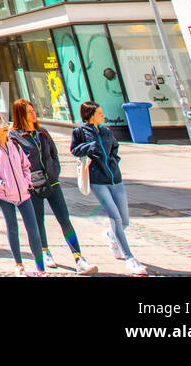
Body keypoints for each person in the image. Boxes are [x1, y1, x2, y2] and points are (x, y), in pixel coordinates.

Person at [11, 99, 97, 274]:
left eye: (33, 109)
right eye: (29, 111)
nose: (33, 113)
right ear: (20, 115)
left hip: (52, 181)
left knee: (64, 219)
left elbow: (53, 154)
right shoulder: (15, 136)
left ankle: (78, 258)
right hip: (32, 185)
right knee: (38, 221)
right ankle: (45, 251)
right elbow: (14, 161)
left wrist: (54, 171)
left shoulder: (42, 132)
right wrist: (27, 180)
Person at [71, 101, 146, 275]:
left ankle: (111, 236)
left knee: (125, 220)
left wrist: (114, 163)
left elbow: (114, 147)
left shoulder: (106, 131)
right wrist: (91, 147)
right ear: (90, 115)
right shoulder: (80, 131)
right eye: (99, 113)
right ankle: (129, 258)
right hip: (98, 181)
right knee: (116, 218)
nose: (103, 115)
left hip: (115, 179)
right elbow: (74, 149)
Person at [0, 111, 46, 276]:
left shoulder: (14, 144)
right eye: (1, 124)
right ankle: (19, 265)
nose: (5, 126)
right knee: (13, 228)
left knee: (33, 230)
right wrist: (0, 184)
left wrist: (26, 181)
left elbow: (25, 165)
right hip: (4, 195)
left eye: (5, 123)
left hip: (23, 193)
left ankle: (40, 268)